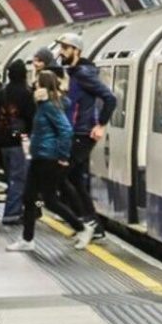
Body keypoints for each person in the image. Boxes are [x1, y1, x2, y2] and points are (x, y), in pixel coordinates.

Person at [6, 71, 94, 252]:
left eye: (37, 83)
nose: (33, 85)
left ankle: (82, 227)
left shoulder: (50, 106)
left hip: (49, 158)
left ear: (44, 86)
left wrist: (62, 156)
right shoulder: (43, 104)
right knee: (29, 198)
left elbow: (66, 130)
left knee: (50, 200)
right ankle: (27, 239)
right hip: (39, 156)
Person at [56, 32, 116, 240]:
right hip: (76, 132)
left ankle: (86, 223)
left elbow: (110, 98)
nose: (61, 51)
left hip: (82, 134)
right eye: (61, 47)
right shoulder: (73, 73)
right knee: (75, 180)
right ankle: (93, 225)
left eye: (65, 48)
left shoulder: (83, 74)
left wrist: (100, 125)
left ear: (76, 51)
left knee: (60, 176)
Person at [0, 59, 35, 225]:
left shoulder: (1, 92)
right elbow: (32, 118)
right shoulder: (27, 93)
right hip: (19, 142)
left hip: (3, 143)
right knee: (19, 178)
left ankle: (20, 209)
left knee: (12, 178)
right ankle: (12, 214)